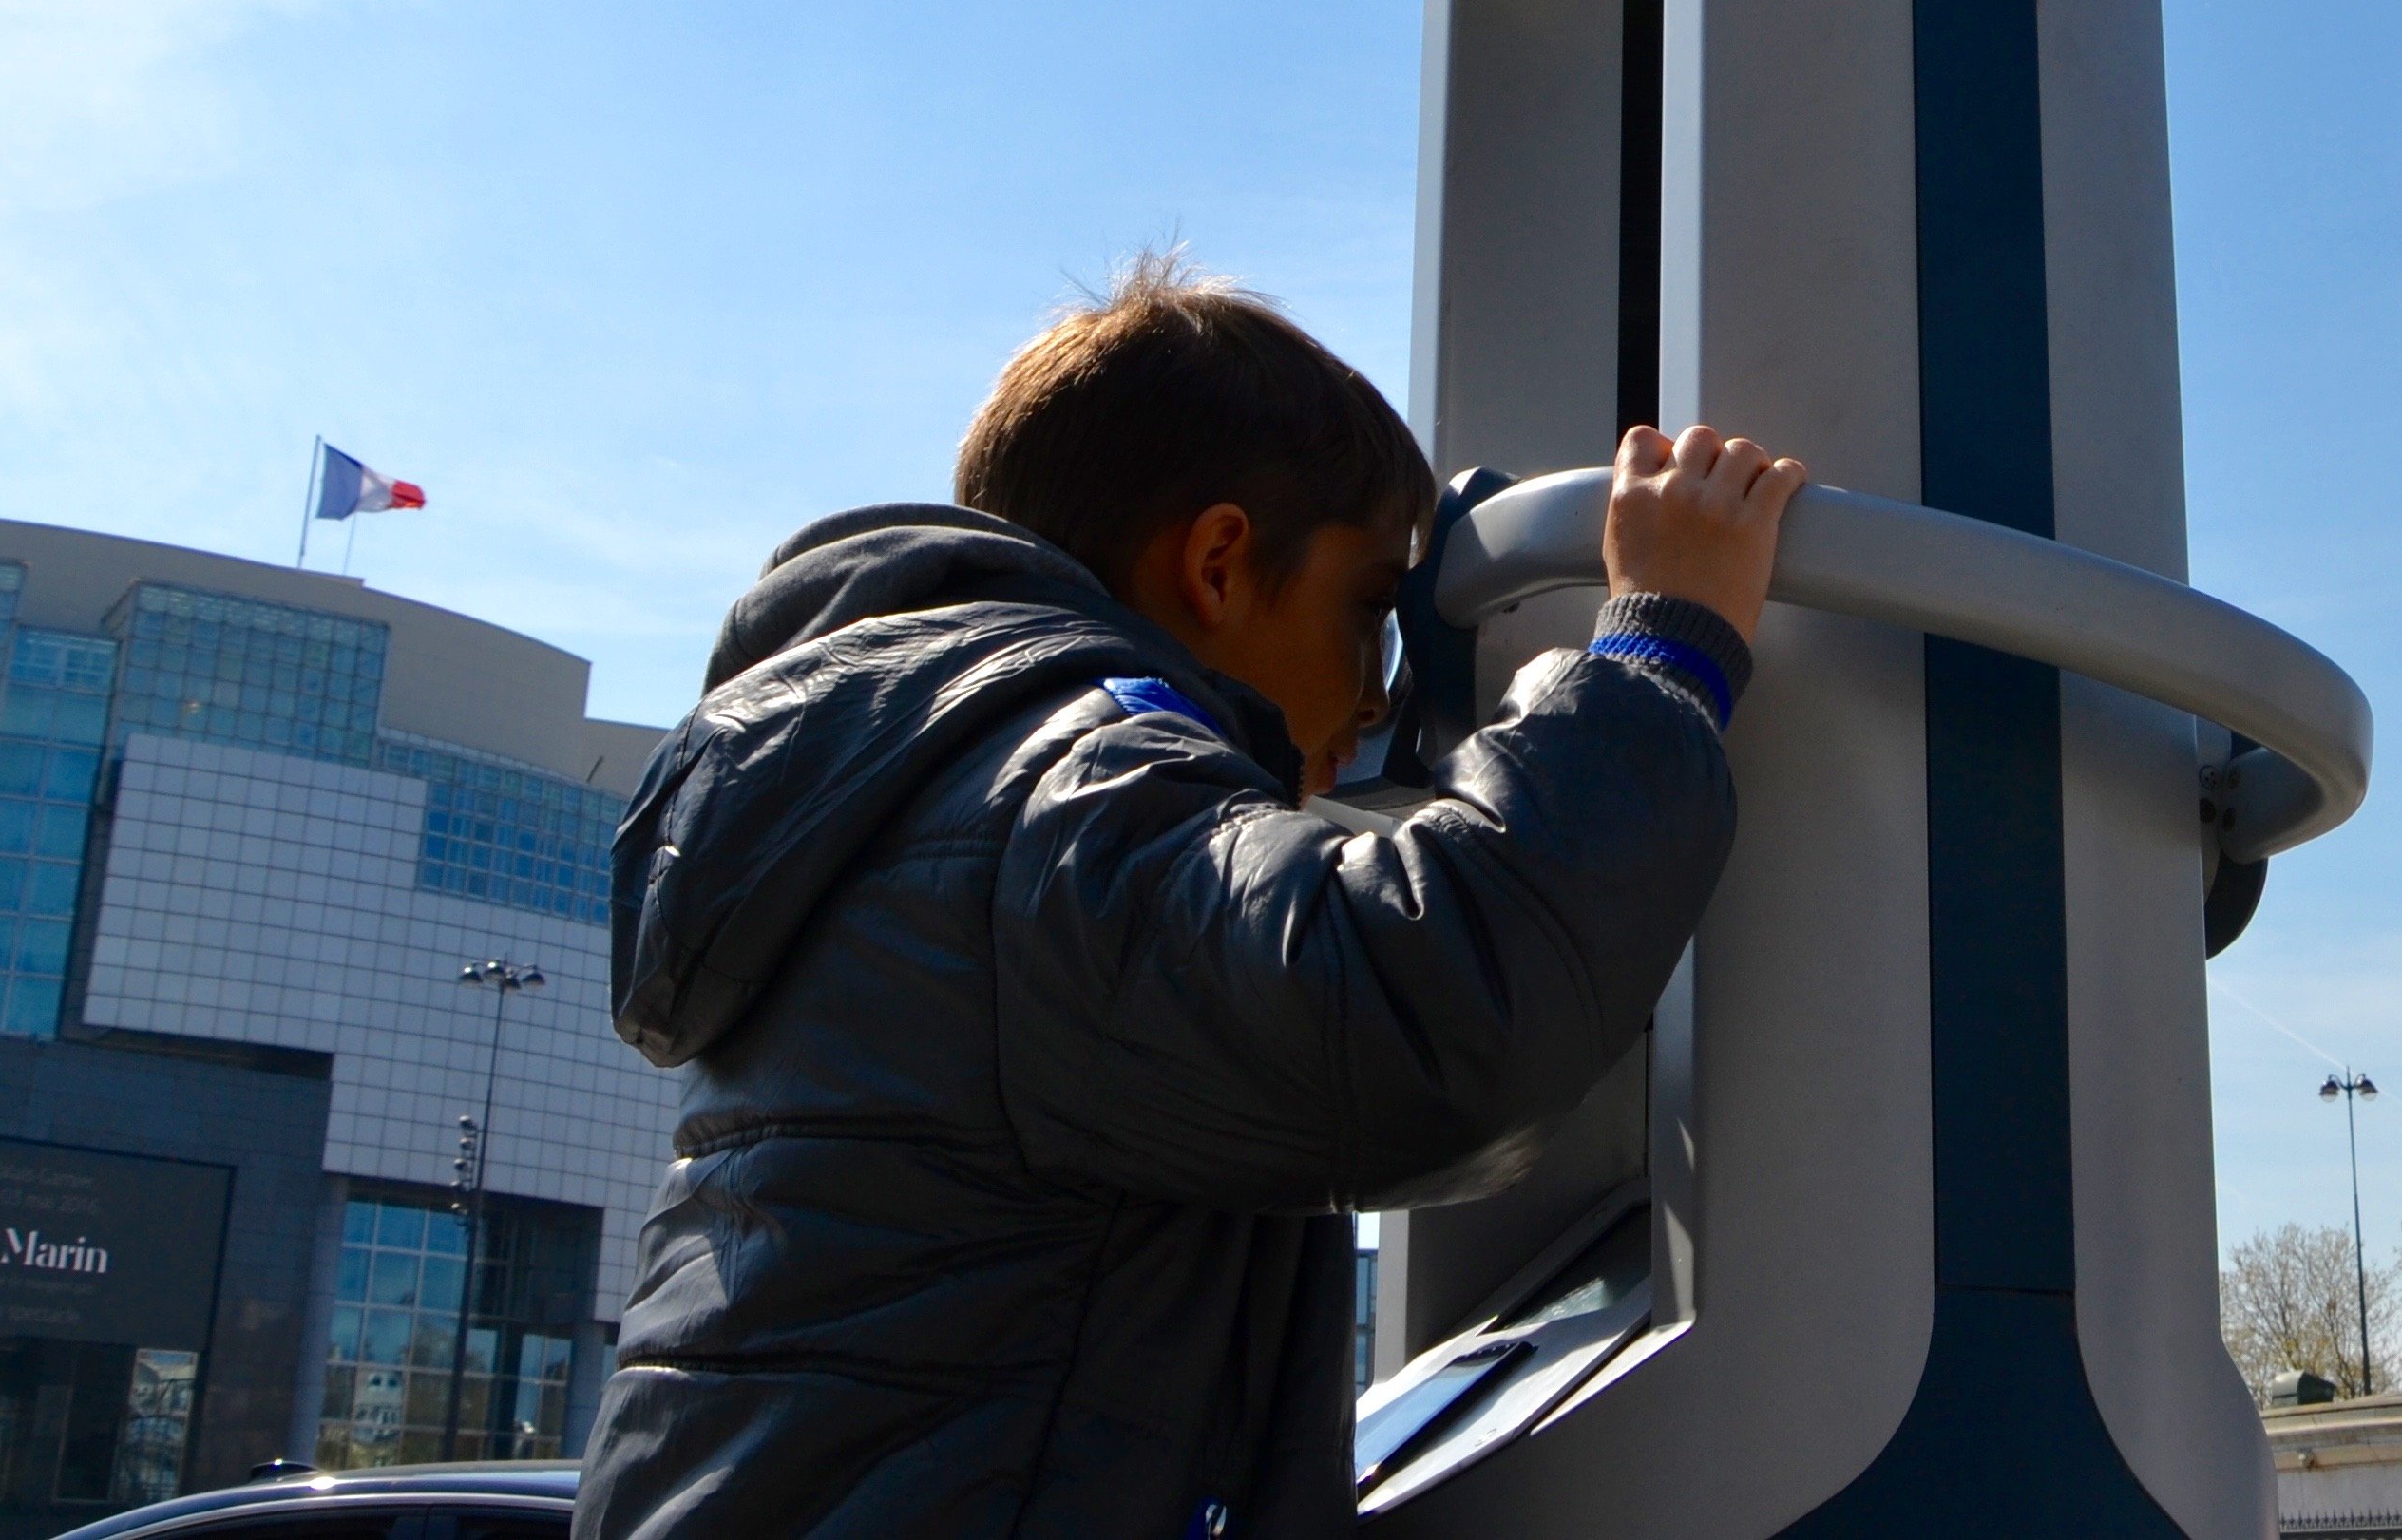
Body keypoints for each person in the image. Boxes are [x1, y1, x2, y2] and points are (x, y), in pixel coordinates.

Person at [575, 255, 1803, 1539]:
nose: (1383, 694)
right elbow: (1416, 1009)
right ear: (1219, 566)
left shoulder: (889, 789)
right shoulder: (1064, 783)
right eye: (1369, 609)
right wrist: (1659, 649)